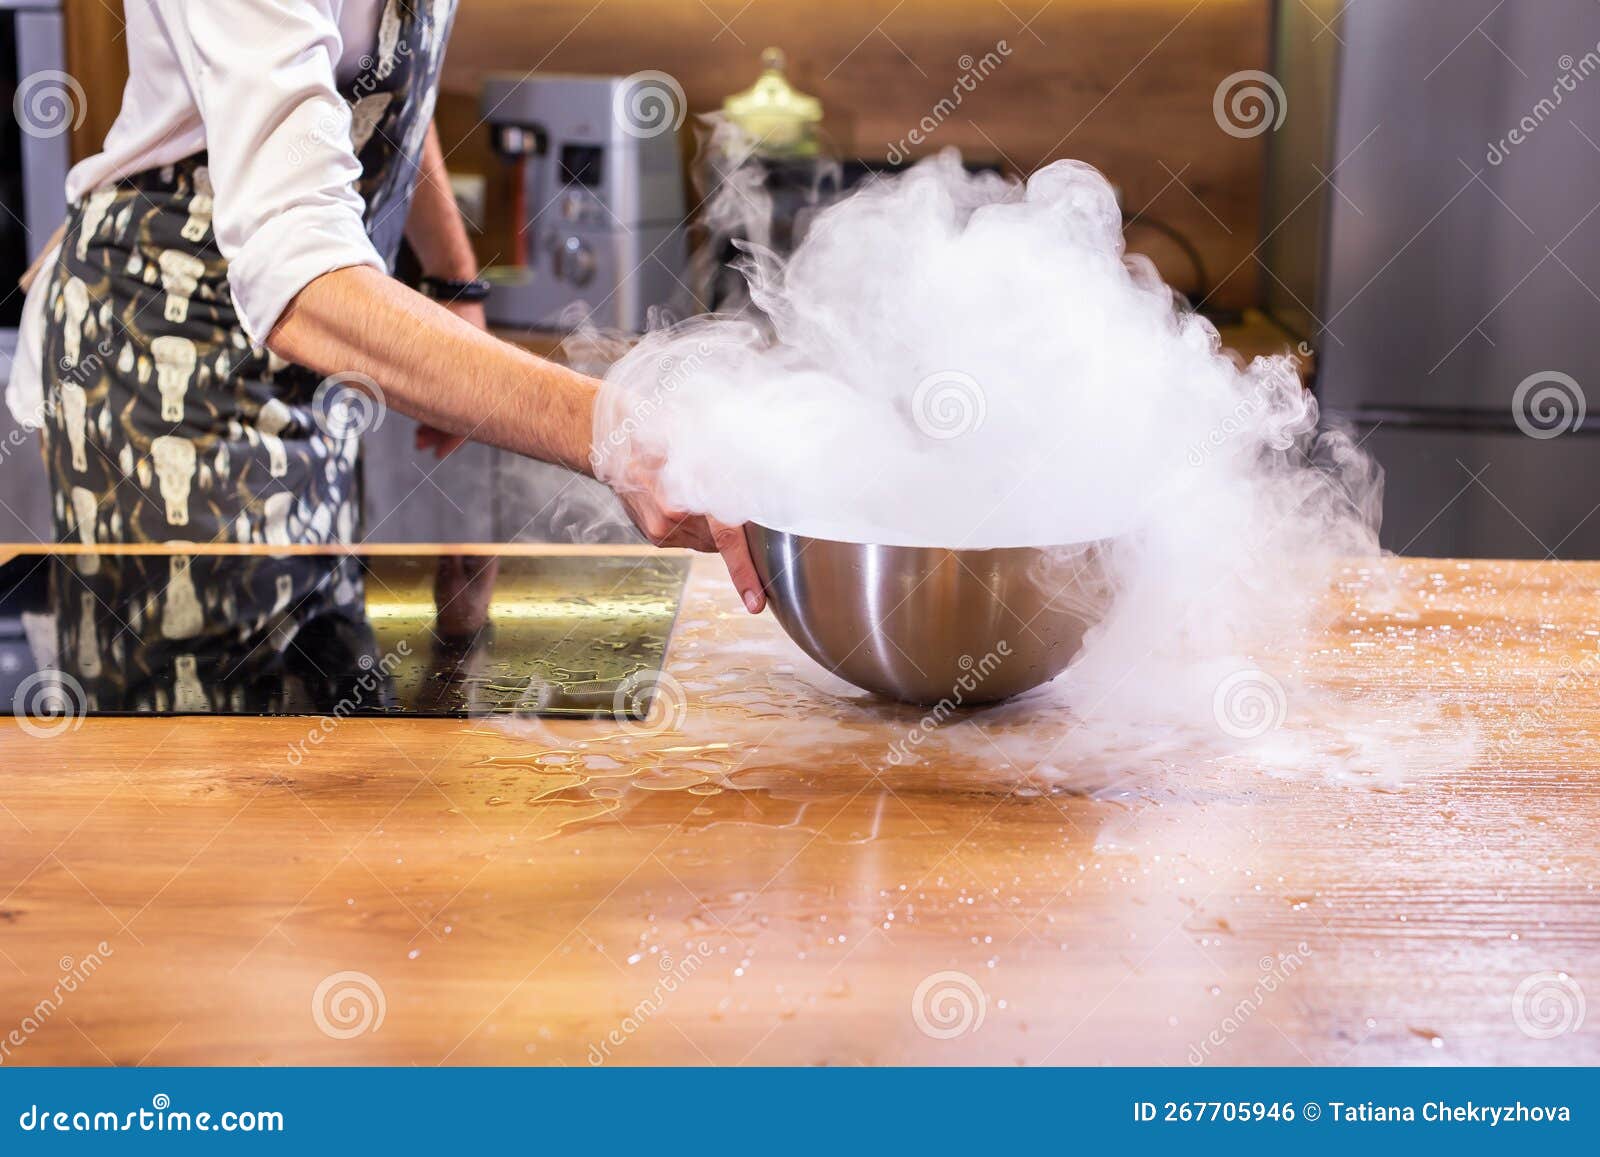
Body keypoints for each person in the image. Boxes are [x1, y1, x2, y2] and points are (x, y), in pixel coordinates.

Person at [12, 0, 765, 614]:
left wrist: (453, 280)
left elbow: (370, 81)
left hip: (313, 356)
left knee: (309, 686)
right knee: (215, 757)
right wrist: (613, 432)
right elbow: (296, 275)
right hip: (167, 357)